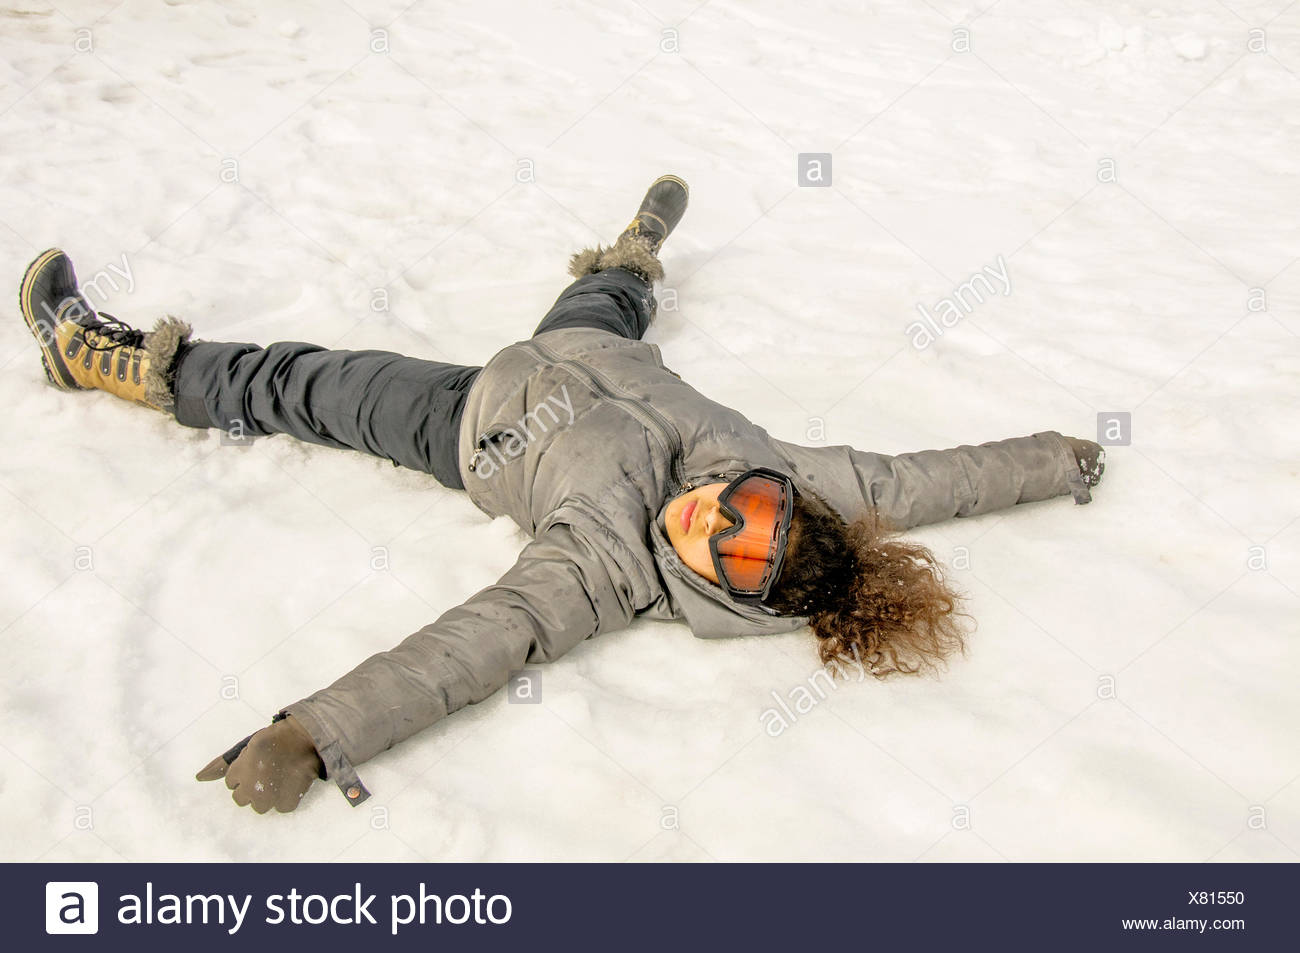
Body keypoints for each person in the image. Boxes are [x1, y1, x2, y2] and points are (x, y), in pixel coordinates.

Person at [17, 175, 1105, 815]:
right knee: (599, 299)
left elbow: (477, 641)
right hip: (584, 344)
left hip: (469, 416)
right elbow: (939, 479)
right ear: (789, 497)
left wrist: (315, 733)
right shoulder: (806, 477)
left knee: (301, 383)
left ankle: (100, 359)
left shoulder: (601, 571)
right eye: (744, 505)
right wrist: (1057, 457)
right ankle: (633, 255)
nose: (710, 515)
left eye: (723, 548)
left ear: (728, 592)